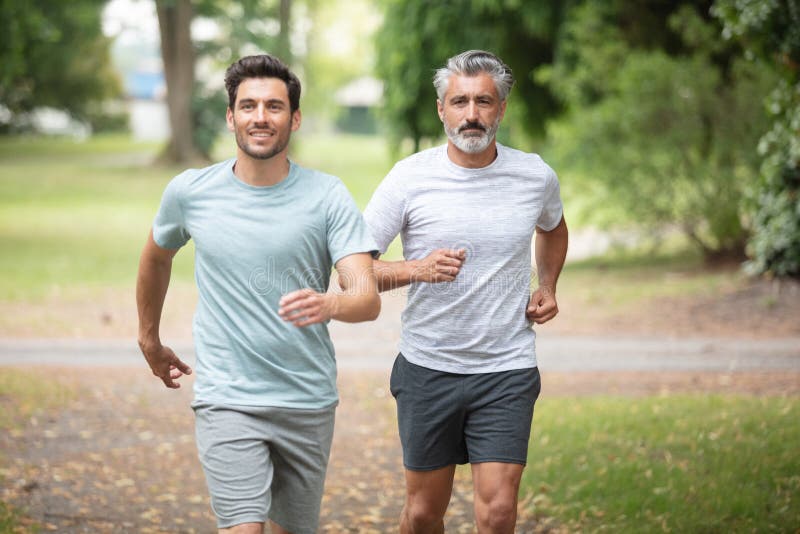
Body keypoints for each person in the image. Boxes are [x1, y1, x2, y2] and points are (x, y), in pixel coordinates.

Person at [136, 54, 380, 534]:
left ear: (295, 117)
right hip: (228, 397)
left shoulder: (328, 196)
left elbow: (366, 297)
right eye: (248, 106)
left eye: (274, 106)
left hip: (306, 400)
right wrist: (149, 337)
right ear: (231, 117)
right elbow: (155, 257)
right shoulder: (190, 191)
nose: (260, 117)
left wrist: (331, 303)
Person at [363, 49, 569, 533]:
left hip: (506, 367)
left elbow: (554, 228)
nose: (471, 115)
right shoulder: (409, 178)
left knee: (498, 512)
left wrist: (548, 285)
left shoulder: (534, 175)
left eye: (483, 102)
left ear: (501, 109)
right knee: (422, 513)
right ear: (442, 109)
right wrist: (417, 269)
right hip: (428, 367)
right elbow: (355, 272)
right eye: (459, 102)